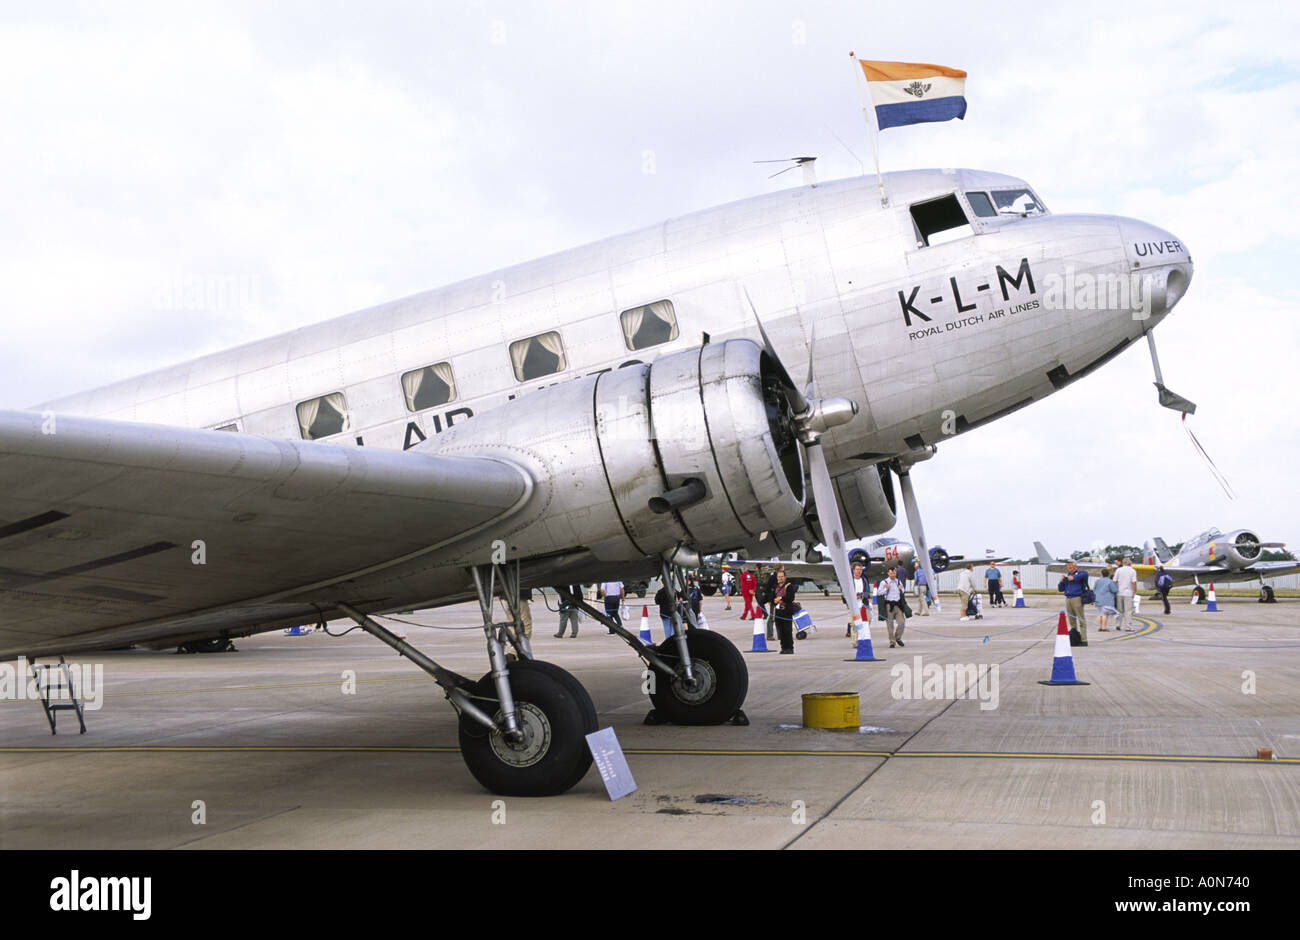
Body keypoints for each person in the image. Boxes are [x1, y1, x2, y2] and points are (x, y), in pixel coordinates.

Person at [1058, 561, 1089, 645]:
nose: (1069, 567)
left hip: (1077, 598)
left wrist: (1074, 578)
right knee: (1072, 620)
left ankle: (1084, 639)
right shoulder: (1067, 576)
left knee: (1081, 618)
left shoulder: (1080, 574)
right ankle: (1074, 638)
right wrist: (1061, 581)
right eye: (1068, 566)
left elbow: (1085, 574)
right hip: (1068, 598)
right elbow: (1060, 589)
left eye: (1071, 565)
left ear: (1075, 566)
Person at [770, 565, 798, 654]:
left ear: (785, 577)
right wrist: (774, 600)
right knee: (781, 631)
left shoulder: (789, 586)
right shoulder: (775, 586)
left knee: (787, 630)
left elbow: (791, 598)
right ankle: (783, 647)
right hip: (778, 611)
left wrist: (781, 599)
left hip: (786, 611)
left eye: (782, 576)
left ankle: (790, 648)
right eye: (779, 577)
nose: (780, 578)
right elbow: (772, 597)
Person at [880, 564, 909, 648]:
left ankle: (898, 638)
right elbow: (879, 592)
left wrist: (901, 589)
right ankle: (892, 642)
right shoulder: (884, 582)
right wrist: (886, 589)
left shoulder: (898, 581)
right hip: (889, 605)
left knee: (902, 622)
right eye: (891, 573)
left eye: (894, 573)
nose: (893, 575)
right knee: (890, 625)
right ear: (888, 574)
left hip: (897, 605)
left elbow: (903, 591)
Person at [1114, 557, 1138, 632]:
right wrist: (1134, 592)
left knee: (1119, 610)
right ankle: (1128, 626)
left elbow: (1114, 581)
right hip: (1128, 592)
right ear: (1130, 563)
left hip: (1119, 592)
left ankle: (1118, 624)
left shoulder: (1118, 570)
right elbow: (1134, 582)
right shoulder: (1132, 571)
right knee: (1128, 611)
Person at [846, 561, 869, 636]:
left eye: (860, 569)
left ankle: (862, 637)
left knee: (866, 622)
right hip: (853, 606)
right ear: (853, 570)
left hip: (863, 605)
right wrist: (853, 596)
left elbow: (867, 592)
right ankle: (855, 642)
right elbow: (844, 593)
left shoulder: (864, 580)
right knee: (854, 624)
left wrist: (863, 595)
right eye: (857, 569)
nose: (859, 571)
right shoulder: (849, 581)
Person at [1093, 567, 1118, 632]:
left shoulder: (1097, 581)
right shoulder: (1110, 581)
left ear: (1101, 574)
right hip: (1107, 600)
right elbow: (1114, 590)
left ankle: (1100, 626)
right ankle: (1104, 627)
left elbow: (1094, 589)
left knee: (1099, 613)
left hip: (1098, 599)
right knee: (1105, 614)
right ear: (1108, 574)